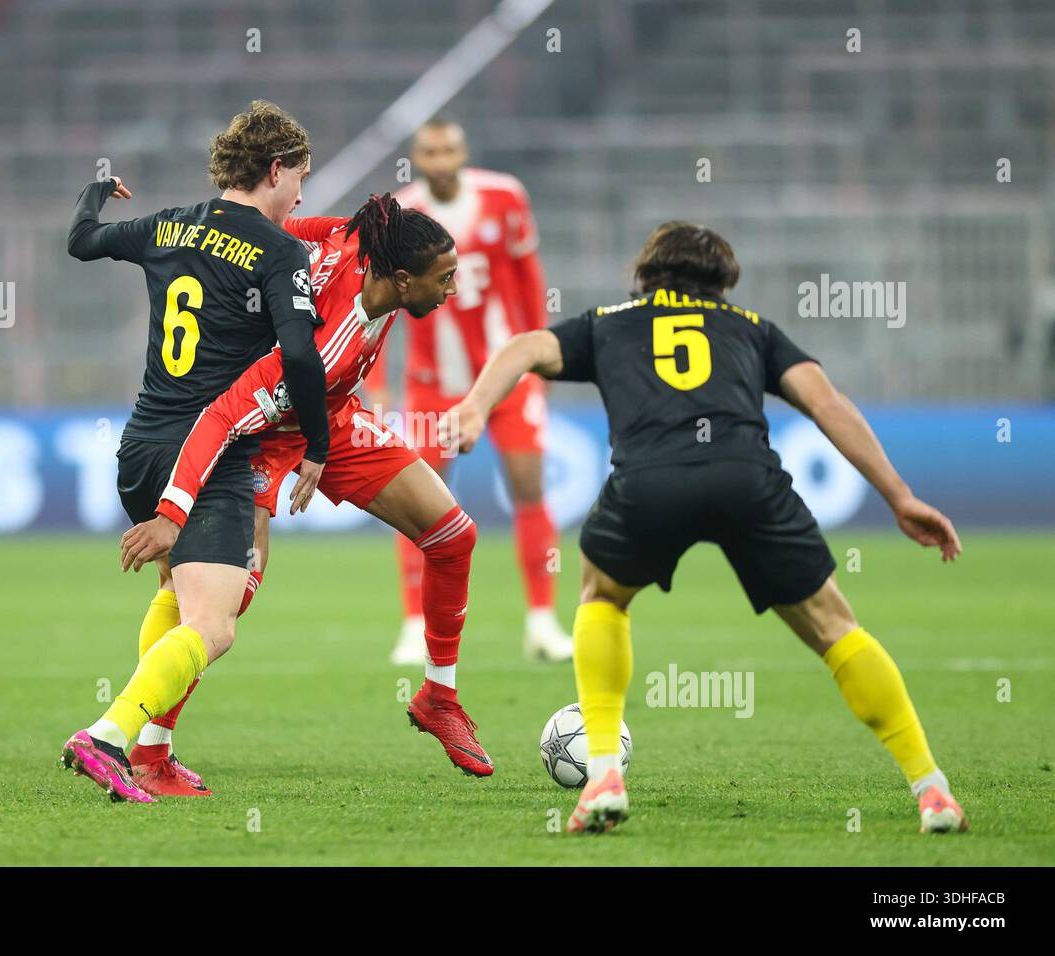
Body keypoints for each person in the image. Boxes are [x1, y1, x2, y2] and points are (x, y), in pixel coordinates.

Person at [446, 221, 967, 835]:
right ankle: (932, 790)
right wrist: (899, 496)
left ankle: (604, 774)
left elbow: (526, 347)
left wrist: (475, 406)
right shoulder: (752, 330)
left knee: (603, 598)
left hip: (650, 482)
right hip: (745, 479)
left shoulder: (610, 322)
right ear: (724, 283)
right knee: (835, 627)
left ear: (645, 275)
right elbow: (827, 404)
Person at [120, 195, 495, 778]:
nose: (451, 290)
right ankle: (148, 746)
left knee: (452, 536)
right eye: (444, 279)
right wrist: (174, 508)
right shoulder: (317, 347)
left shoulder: (362, 236)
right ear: (400, 280)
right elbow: (223, 417)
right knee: (223, 599)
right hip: (266, 435)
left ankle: (439, 697)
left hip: (335, 420)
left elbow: (277, 228)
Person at [61, 101, 330, 802]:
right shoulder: (279, 251)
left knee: (176, 600)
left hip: (141, 445)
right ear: (275, 170)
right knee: (215, 624)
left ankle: (152, 751)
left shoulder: (168, 224)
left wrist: (93, 195)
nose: (302, 195)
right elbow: (301, 354)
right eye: (300, 177)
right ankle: (108, 738)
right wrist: (318, 440)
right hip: (204, 455)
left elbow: (83, 242)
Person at [368, 117, 573, 664]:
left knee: (529, 487)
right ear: (418, 156)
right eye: (429, 150)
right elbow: (379, 298)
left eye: (448, 149)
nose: (439, 159)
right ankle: (414, 625)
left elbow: (529, 278)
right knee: (417, 500)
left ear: (463, 152)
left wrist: (541, 357)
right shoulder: (401, 216)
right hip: (431, 385)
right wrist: (376, 379)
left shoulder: (506, 197)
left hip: (503, 377)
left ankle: (542, 622)